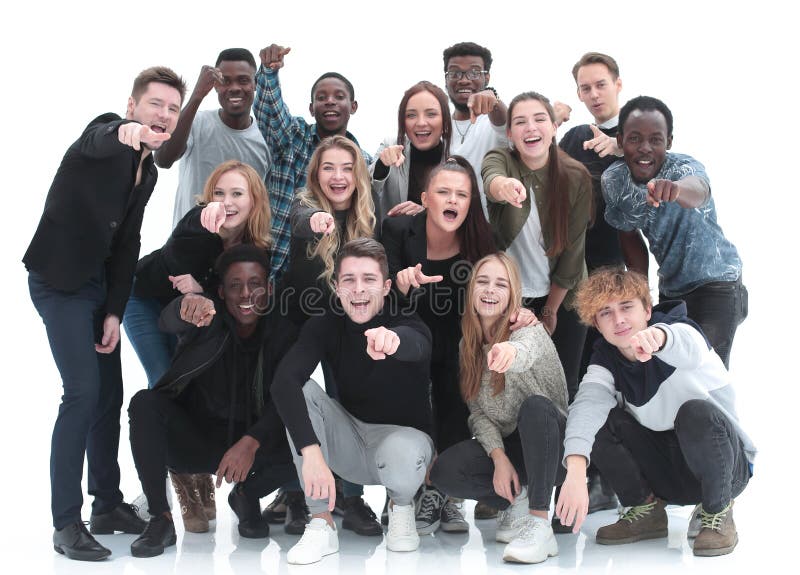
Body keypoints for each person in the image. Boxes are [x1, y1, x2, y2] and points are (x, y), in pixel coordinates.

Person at [24, 66, 185, 561]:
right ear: (133, 105)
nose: (163, 115)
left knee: (109, 395)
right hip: (59, 282)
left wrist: (115, 310)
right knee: (82, 392)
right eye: (155, 104)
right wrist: (126, 132)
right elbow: (100, 138)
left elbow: (128, 243)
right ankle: (66, 524)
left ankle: (108, 504)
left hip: (97, 291)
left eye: (173, 110)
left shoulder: (150, 171)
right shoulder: (105, 135)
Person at [556, 267, 755, 557]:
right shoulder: (604, 360)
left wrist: (659, 339)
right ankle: (645, 508)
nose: (619, 319)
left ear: (647, 310)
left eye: (626, 307)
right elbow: (586, 406)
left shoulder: (681, 330)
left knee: (695, 412)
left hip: (726, 468)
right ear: (597, 325)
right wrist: (575, 471)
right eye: (605, 313)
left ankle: (717, 513)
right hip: (669, 473)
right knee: (598, 417)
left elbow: (689, 346)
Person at [123, 160, 272, 531]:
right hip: (146, 302)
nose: (227, 202)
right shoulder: (198, 232)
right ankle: (187, 484)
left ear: (254, 201)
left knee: (199, 381)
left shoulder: (255, 247)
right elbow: (175, 255)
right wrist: (200, 217)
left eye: (237, 194)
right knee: (168, 384)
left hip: (191, 315)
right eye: (218, 194)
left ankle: (192, 470)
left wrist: (204, 293)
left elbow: (235, 307)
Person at [271, 239, 435, 565]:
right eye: (349, 280)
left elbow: (419, 345)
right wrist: (312, 451)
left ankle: (401, 507)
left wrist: (393, 341)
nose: (358, 289)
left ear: (387, 286)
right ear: (336, 286)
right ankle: (321, 523)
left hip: (402, 445)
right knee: (301, 391)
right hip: (350, 441)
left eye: (369, 279)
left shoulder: (408, 322)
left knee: (401, 451)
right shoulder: (326, 324)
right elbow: (283, 382)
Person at [128, 245, 299, 558]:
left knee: (315, 424)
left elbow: (288, 396)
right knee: (144, 403)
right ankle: (160, 518)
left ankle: (248, 496)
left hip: (255, 448)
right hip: (198, 442)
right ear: (221, 292)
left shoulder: (283, 331)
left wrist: (251, 441)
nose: (246, 294)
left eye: (255, 284)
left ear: (269, 288)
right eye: (235, 286)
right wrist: (184, 306)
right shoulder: (207, 320)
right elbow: (169, 321)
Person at [382, 156, 501, 534]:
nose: (452, 200)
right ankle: (403, 491)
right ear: (425, 198)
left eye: (461, 194)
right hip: (408, 334)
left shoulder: (481, 240)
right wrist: (401, 285)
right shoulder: (398, 229)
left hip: (458, 339)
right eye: (443, 192)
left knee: (454, 400)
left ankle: (443, 493)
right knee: (407, 405)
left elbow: (494, 296)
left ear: (470, 203)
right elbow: (381, 300)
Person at [430, 252, 568, 564]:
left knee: (535, 407)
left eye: (501, 285)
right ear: (472, 290)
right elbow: (478, 412)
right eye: (483, 281)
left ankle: (539, 522)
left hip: (552, 448)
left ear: (513, 295)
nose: (491, 290)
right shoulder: (468, 345)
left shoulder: (528, 331)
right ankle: (515, 498)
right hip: (513, 449)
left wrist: (507, 351)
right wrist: (499, 457)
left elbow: (525, 351)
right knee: (445, 471)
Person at [277, 135, 380, 535]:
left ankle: (352, 498)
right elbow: (302, 221)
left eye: (346, 168)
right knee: (288, 395)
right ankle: (294, 494)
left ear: (357, 176)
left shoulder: (368, 216)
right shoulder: (304, 206)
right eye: (328, 168)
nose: (337, 176)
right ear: (316, 175)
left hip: (341, 324)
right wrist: (317, 222)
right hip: (294, 318)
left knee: (346, 401)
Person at [602, 96, 746, 368]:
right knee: (668, 371)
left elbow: (698, 190)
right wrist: (640, 293)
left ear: (668, 142)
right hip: (672, 288)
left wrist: (677, 190)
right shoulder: (613, 180)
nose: (645, 148)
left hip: (717, 284)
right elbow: (629, 236)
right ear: (620, 141)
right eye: (635, 139)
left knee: (705, 372)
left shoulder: (683, 168)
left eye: (655, 140)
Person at [482, 91, 592, 400]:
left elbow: (573, 252)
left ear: (554, 127)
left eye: (539, 119)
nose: (531, 128)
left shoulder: (575, 177)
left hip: (564, 298)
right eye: (520, 122)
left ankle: (566, 446)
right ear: (510, 133)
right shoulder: (501, 158)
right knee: (512, 383)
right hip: (513, 297)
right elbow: (492, 178)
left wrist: (550, 311)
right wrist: (504, 187)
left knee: (562, 381)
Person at [558, 51, 628, 516]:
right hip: (578, 274)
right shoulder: (578, 136)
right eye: (585, 88)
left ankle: (623, 477)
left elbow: (659, 171)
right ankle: (584, 476)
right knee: (581, 372)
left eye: (600, 84)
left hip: (619, 273)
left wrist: (622, 150)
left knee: (618, 373)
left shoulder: (639, 126)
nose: (593, 95)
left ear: (617, 84)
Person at [254, 44, 372, 282]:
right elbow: (270, 115)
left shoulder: (364, 161)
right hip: (275, 265)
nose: (330, 102)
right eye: (321, 98)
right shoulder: (292, 137)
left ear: (353, 106)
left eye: (339, 97)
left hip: (324, 274)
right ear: (311, 108)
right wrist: (269, 72)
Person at [155, 48, 271, 228]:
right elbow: (163, 159)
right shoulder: (196, 122)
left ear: (255, 83)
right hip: (189, 245)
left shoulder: (265, 139)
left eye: (243, 80)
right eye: (225, 81)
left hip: (237, 250)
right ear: (215, 85)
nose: (234, 88)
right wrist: (197, 94)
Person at [371, 81, 452, 230]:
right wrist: (382, 165)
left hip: (442, 244)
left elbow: (464, 208)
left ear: (445, 120)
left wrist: (425, 212)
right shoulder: (391, 145)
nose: (421, 123)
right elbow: (366, 188)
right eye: (411, 115)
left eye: (431, 114)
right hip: (393, 245)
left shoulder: (456, 154)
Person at [441, 42, 508, 216]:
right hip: (448, 234)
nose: (464, 79)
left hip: (492, 236)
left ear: (487, 78)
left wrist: (493, 100)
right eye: (455, 73)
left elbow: (508, 128)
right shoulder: (437, 127)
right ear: (446, 79)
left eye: (475, 72)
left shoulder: (493, 121)